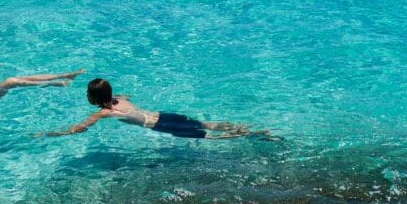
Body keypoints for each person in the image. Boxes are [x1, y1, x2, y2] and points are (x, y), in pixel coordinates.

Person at [34, 77, 267, 139]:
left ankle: (249, 134)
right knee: (205, 124)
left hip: (159, 125)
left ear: (93, 97)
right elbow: (126, 95)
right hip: (162, 114)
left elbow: (81, 128)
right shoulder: (117, 99)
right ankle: (249, 128)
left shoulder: (105, 112)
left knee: (207, 136)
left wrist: (55, 133)